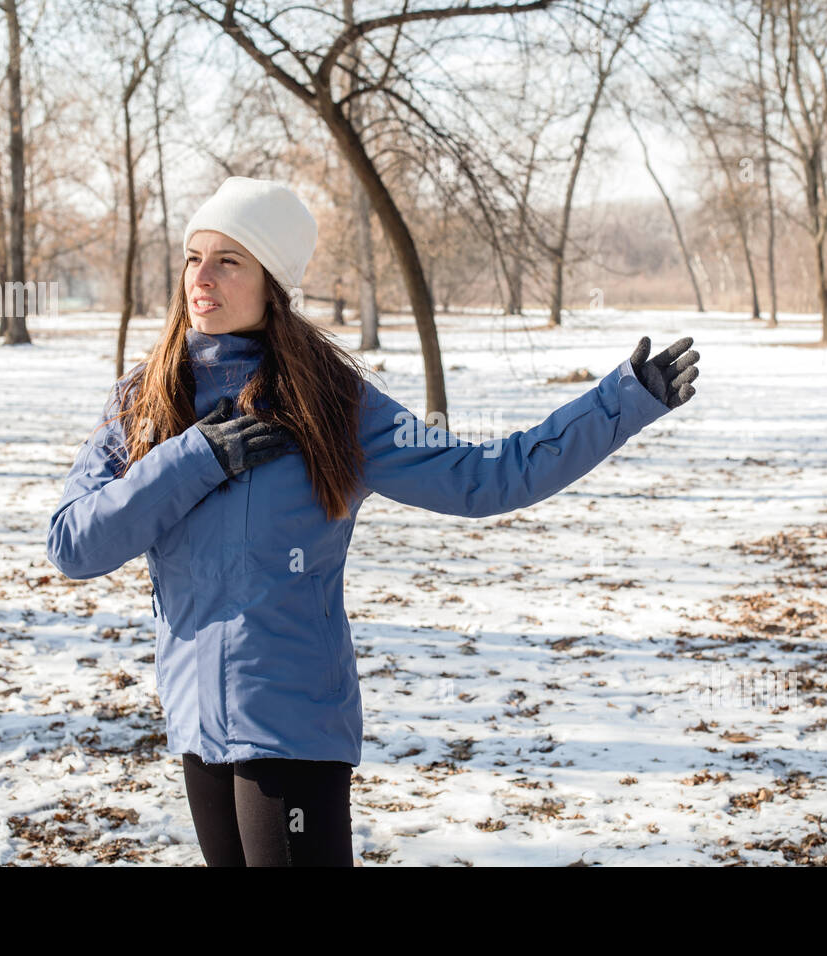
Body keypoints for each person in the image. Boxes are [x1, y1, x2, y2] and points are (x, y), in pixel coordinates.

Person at [45, 175, 700, 867]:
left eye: (228, 260)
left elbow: (483, 477)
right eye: (192, 256)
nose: (199, 278)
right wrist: (194, 458)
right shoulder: (146, 398)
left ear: (273, 283)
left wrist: (618, 404)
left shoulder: (332, 403)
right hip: (197, 725)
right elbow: (74, 542)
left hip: (293, 727)